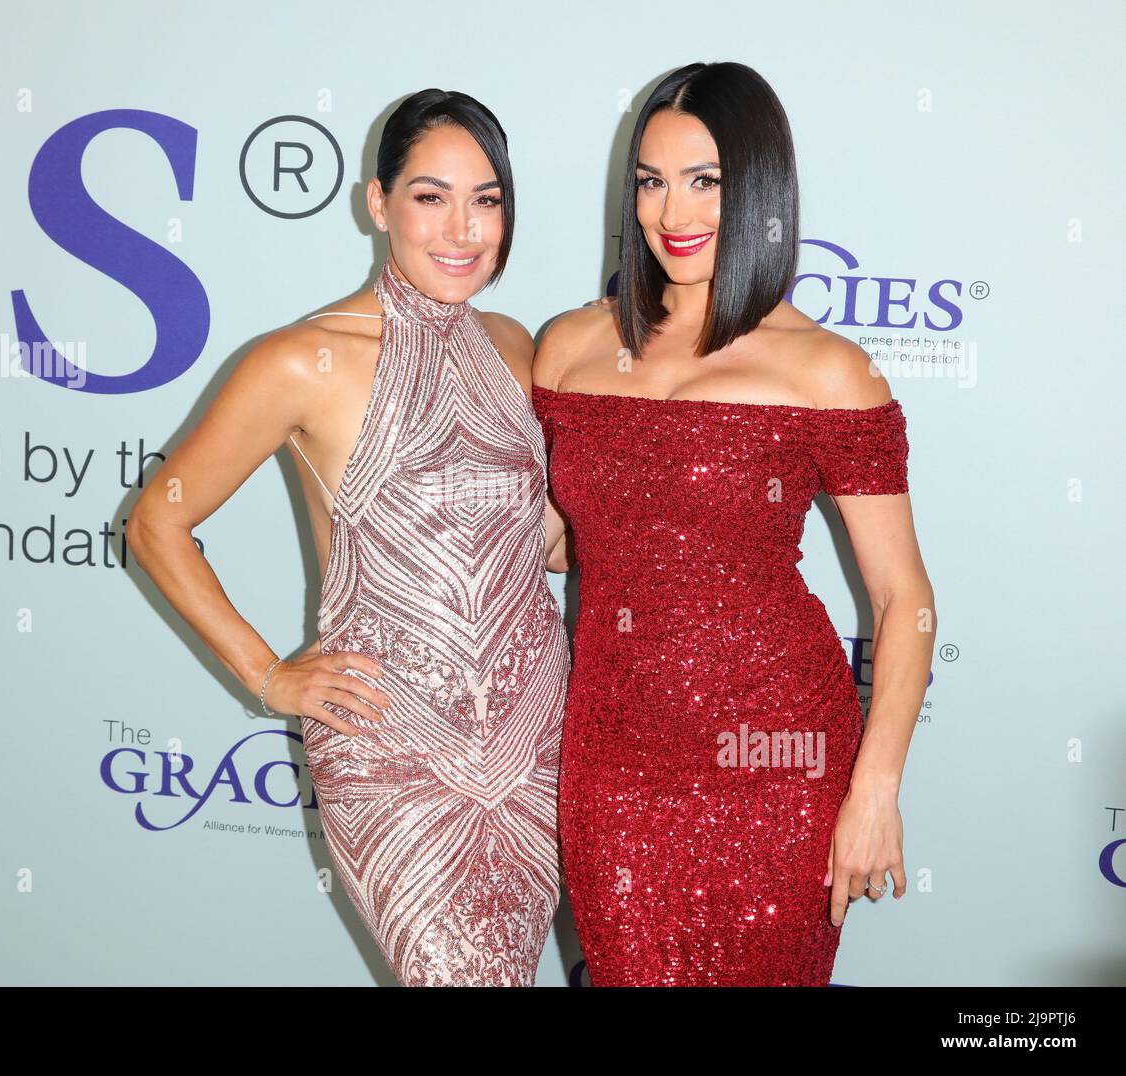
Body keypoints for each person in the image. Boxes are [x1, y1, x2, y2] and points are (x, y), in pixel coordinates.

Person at [128, 90, 570, 986]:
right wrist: (266, 674)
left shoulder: (516, 345)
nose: (462, 228)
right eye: (429, 196)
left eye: (486, 199)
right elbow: (156, 520)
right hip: (391, 746)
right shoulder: (297, 358)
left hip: (536, 739)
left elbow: (541, 540)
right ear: (378, 204)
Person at [532, 61, 935, 986]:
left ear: (760, 188)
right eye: (651, 180)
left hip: (778, 761)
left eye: (705, 180)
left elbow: (902, 595)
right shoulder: (570, 348)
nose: (672, 211)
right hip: (613, 761)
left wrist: (874, 788)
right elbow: (563, 535)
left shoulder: (826, 370)